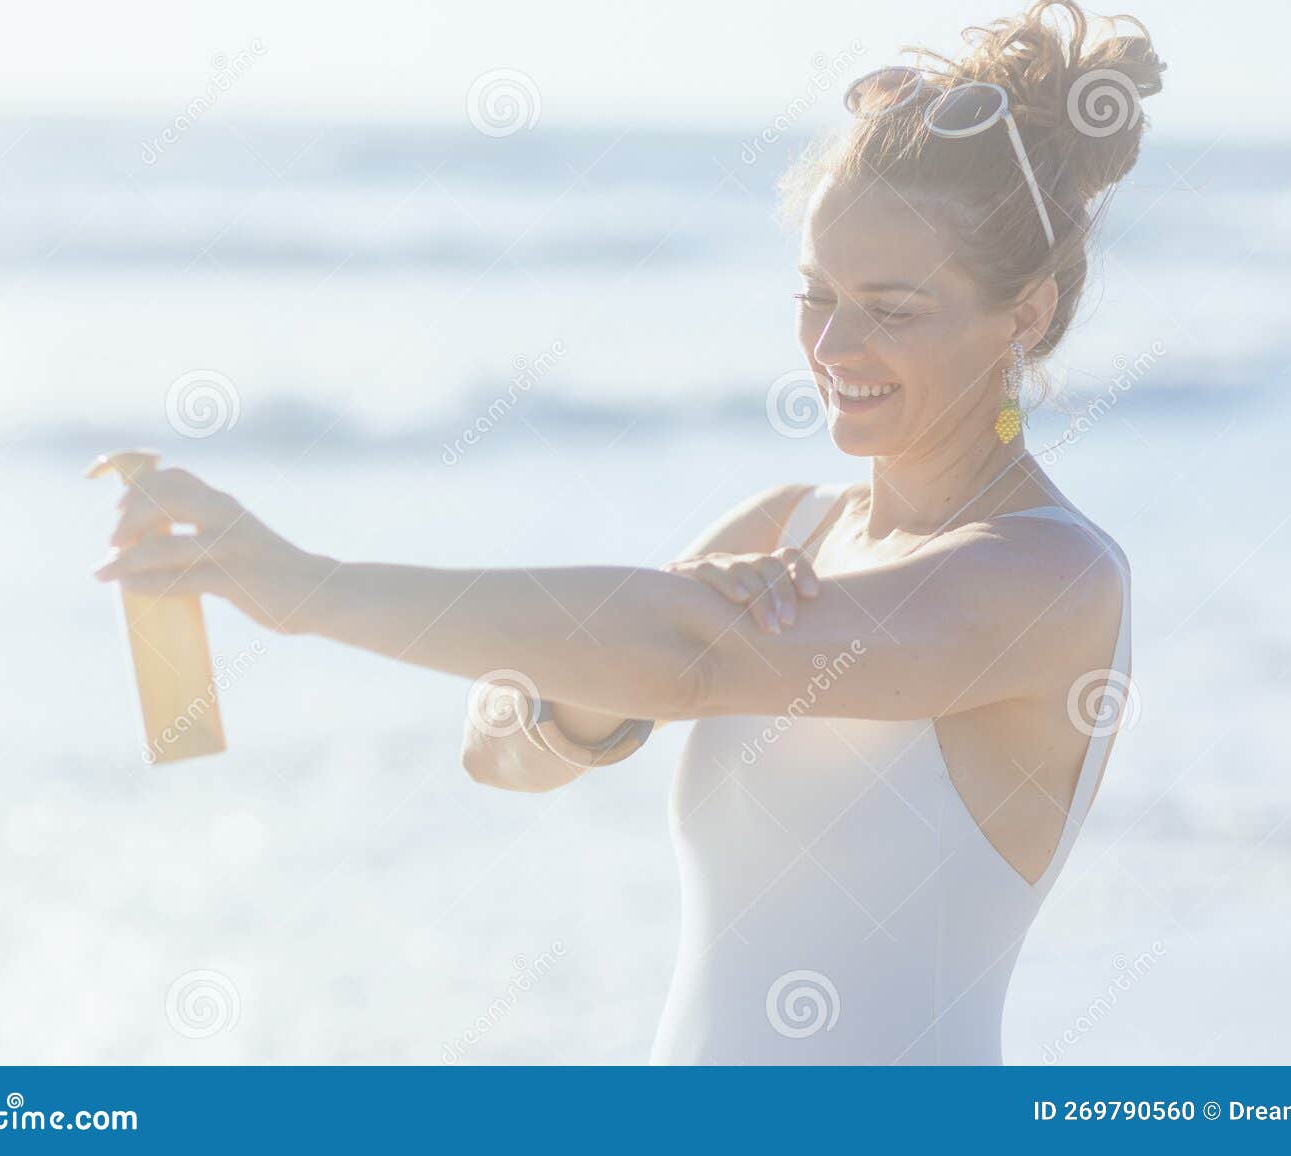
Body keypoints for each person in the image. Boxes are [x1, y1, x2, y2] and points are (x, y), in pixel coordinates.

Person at [94, 0, 1160, 1064]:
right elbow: (498, 751)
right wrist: (624, 672)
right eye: (815, 293)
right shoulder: (787, 526)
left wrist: (306, 590)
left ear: (1023, 313)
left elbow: (687, 657)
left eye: (889, 308)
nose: (832, 343)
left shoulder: (1053, 577)